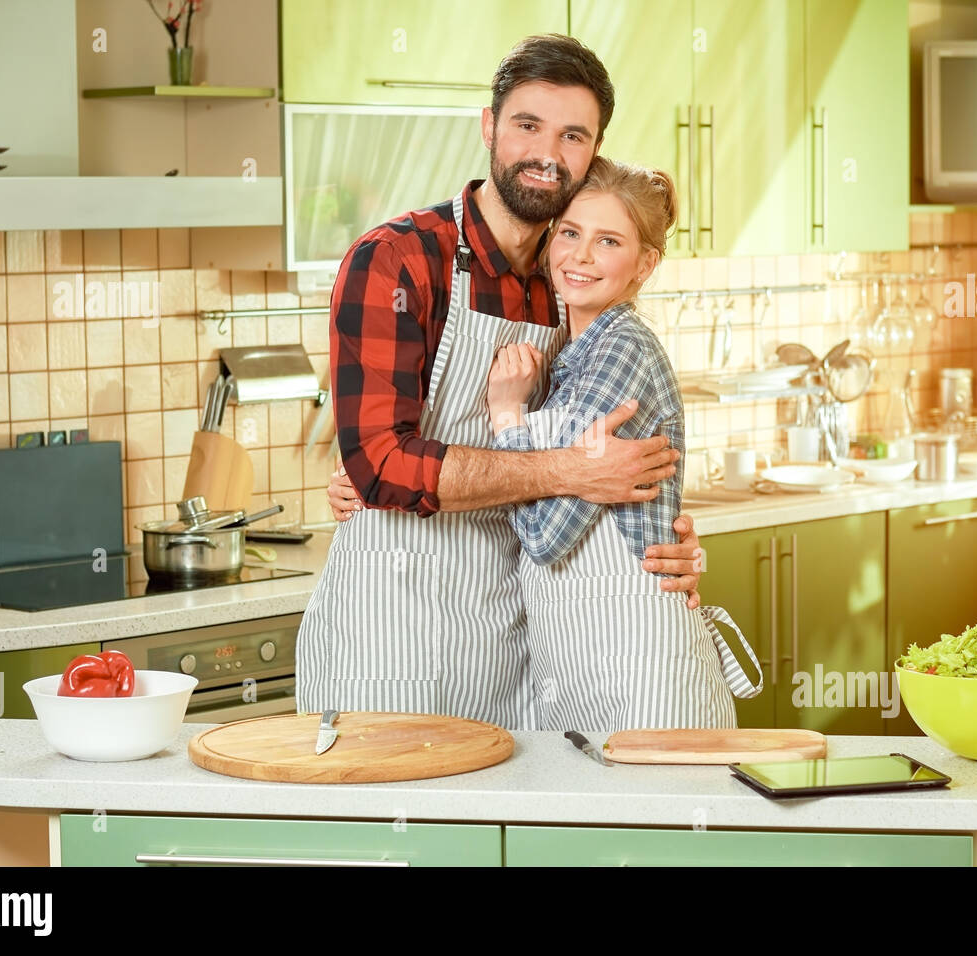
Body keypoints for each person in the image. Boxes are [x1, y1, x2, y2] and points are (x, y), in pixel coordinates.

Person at [298, 35, 707, 729]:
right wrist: (572, 473)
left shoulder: (569, 282)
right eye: (527, 126)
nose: (548, 153)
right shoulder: (398, 261)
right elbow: (381, 466)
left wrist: (665, 546)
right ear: (489, 127)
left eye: (572, 135)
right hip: (392, 632)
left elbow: (614, 450)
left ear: (593, 151)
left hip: (520, 642)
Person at [484, 158, 763, 731]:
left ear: (646, 262)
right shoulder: (571, 355)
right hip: (586, 664)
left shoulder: (621, 353)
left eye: (607, 240)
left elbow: (545, 538)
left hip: (642, 674)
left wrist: (509, 416)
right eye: (570, 233)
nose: (580, 256)